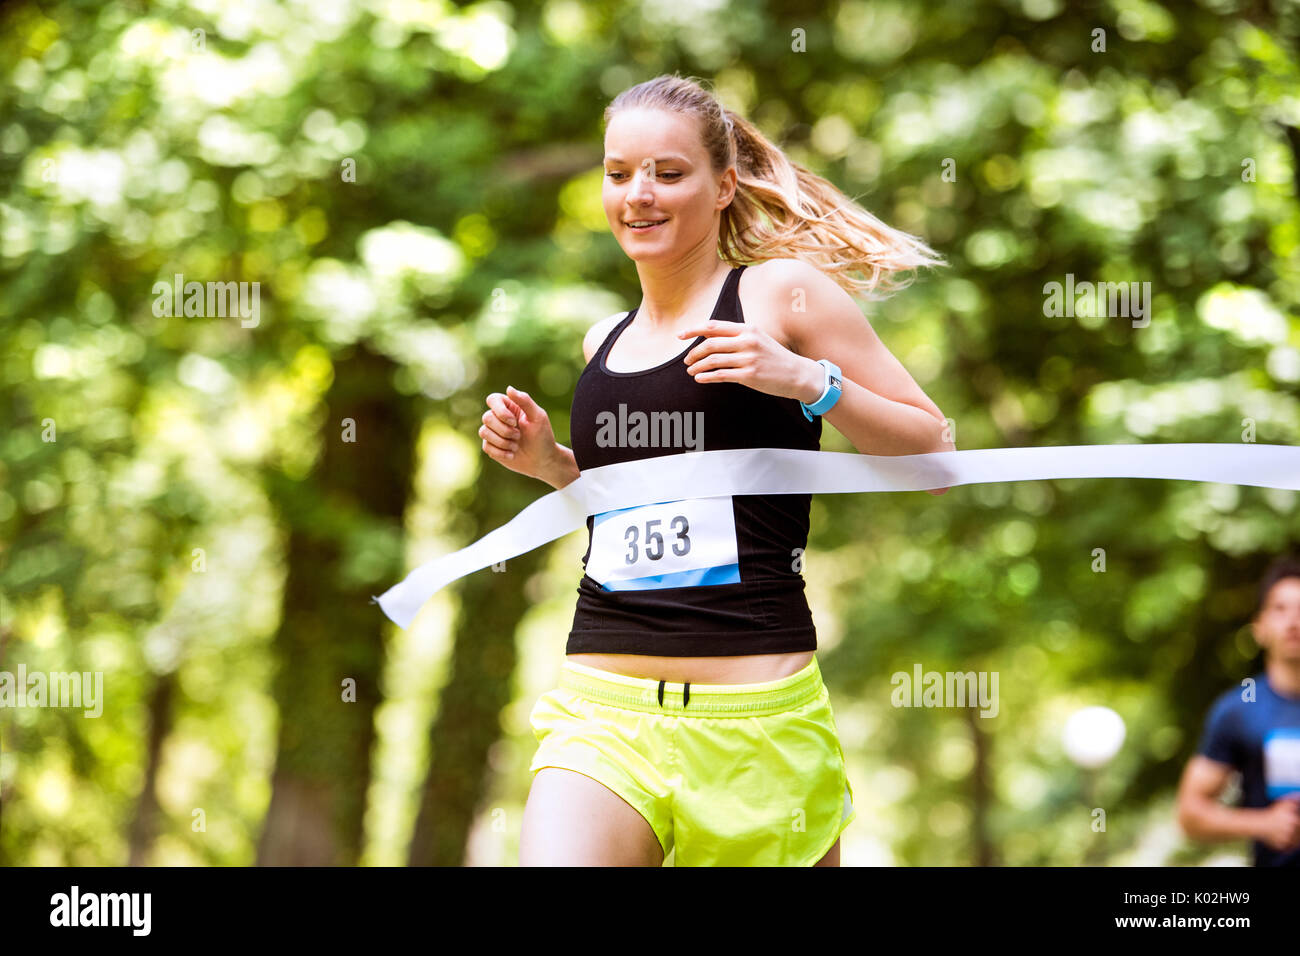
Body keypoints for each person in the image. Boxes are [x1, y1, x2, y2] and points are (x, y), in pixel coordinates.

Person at [478, 74, 951, 866]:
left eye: (668, 173)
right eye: (618, 172)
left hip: (758, 723)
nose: (638, 195)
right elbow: (626, 509)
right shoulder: (604, 341)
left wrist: (809, 384)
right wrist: (553, 465)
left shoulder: (781, 298)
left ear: (724, 184)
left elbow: (936, 458)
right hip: (605, 714)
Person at [1176, 555, 1300, 866]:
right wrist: (1263, 824)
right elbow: (1190, 812)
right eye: (1280, 609)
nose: (1293, 622)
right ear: (1259, 627)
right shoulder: (1238, 710)